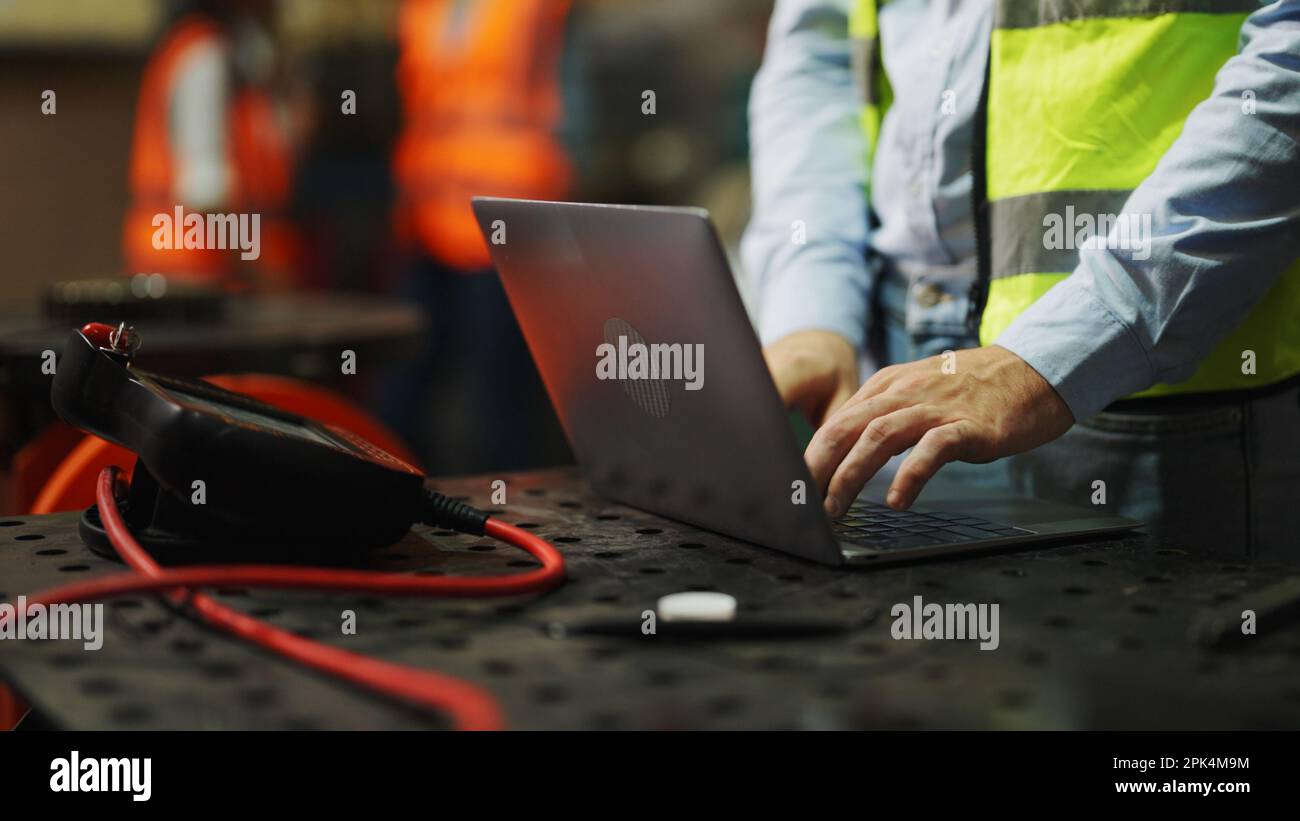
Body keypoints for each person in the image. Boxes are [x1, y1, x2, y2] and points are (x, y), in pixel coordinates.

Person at [743, 0, 1300, 559]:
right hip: (882, 374)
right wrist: (810, 308)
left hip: (1144, 404)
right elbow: (820, 54)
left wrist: (1066, 348)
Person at [379, 0, 574, 473]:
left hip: (505, 221)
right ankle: (385, 498)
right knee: (405, 383)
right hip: (429, 220)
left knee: (499, 395)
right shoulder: (422, 11)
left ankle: (514, 522)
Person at [123, 0, 305, 287]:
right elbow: (206, 191)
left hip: (191, 268)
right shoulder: (204, 54)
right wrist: (262, 272)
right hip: (195, 275)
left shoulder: (212, 51)